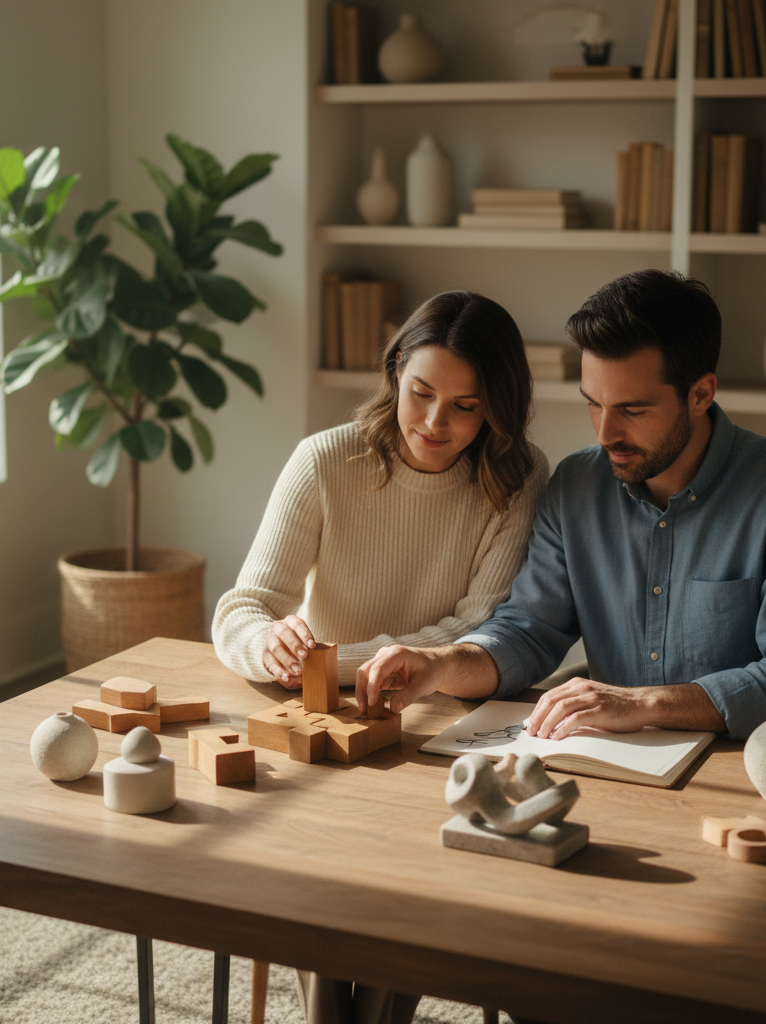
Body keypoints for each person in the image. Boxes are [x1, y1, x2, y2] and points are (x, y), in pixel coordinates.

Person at [212, 289, 550, 1024]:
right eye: (421, 392)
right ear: (395, 369)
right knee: (320, 890)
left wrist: (328, 660)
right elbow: (242, 606)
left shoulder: (518, 476)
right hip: (324, 728)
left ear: (498, 408)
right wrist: (271, 646)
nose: (434, 422)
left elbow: (478, 626)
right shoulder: (324, 460)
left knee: (404, 899)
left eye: (465, 406)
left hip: (438, 734)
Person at [357, 269, 766, 746]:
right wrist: (440, 663)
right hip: (609, 765)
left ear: (701, 394)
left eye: (632, 409)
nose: (604, 433)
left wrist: (644, 703)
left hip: (743, 767)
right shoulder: (576, 486)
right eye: (593, 403)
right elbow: (527, 633)